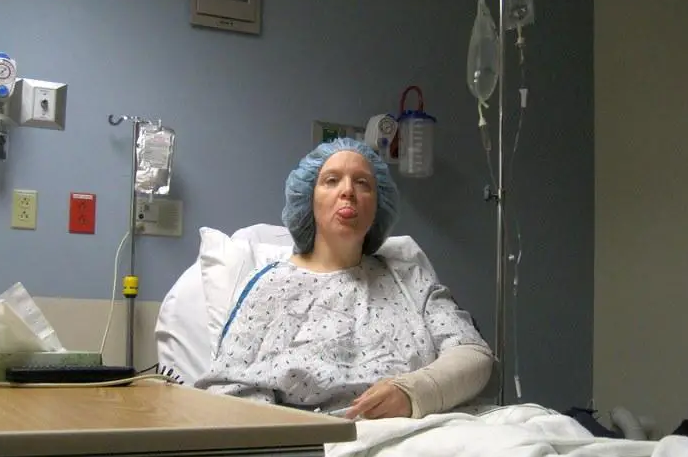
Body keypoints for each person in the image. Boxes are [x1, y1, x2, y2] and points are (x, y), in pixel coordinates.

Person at [194, 138, 496, 420]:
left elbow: (472, 354)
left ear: (378, 206)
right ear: (309, 200)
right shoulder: (270, 286)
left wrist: (414, 392)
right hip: (322, 441)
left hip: (427, 426)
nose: (348, 190)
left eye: (363, 183)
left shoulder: (408, 278)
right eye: (331, 180)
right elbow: (229, 390)